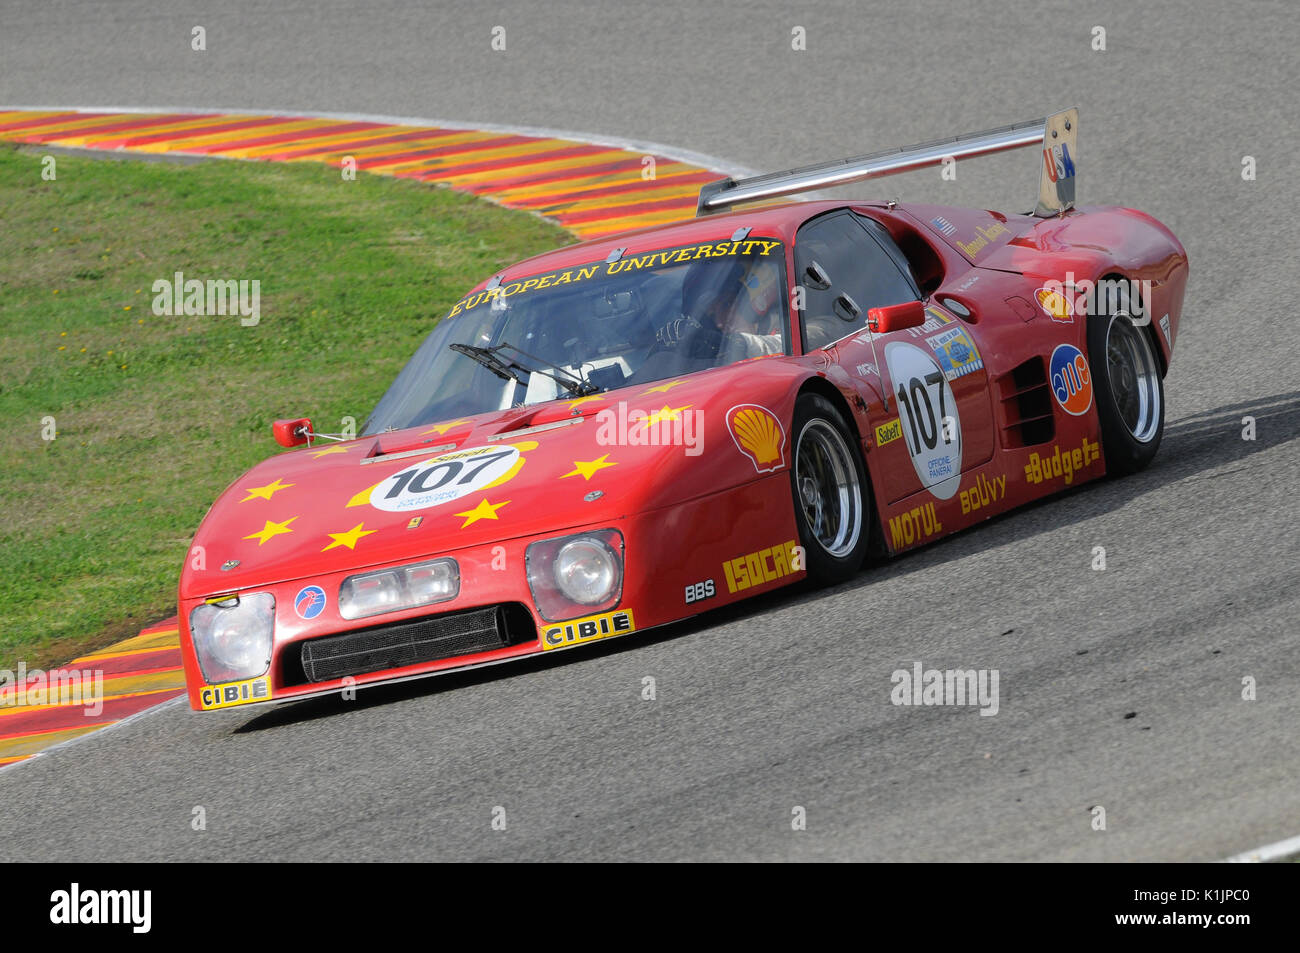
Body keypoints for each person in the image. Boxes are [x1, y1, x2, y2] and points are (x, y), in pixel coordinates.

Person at [655, 257, 784, 362]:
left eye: (726, 306)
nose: (719, 323)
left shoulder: (792, 320)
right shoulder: (722, 359)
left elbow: (796, 346)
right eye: (711, 318)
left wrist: (740, 344)